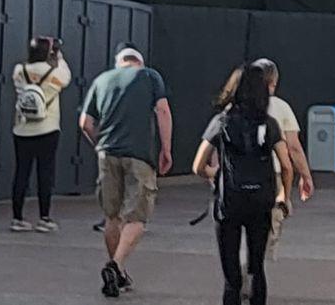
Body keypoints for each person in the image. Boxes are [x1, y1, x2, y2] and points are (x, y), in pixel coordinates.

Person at [193, 65, 293, 305]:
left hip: (230, 202)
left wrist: (214, 172)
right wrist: (284, 195)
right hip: (261, 199)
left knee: (232, 276)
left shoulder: (222, 121)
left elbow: (197, 165)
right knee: (256, 268)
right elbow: (287, 166)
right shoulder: (269, 124)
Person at [80, 45, 173, 299]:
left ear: (118, 63)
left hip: (107, 154)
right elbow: (162, 111)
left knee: (112, 216)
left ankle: (117, 272)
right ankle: (115, 266)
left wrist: (100, 144)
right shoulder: (150, 76)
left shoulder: (102, 80)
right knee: (136, 217)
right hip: (139, 156)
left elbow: (85, 123)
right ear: (139, 62)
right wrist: (166, 149)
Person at [253, 59, 313, 269]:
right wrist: (305, 176)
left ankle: (241, 275)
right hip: (272, 176)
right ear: (274, 82)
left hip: (239, 175)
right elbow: (294, 148)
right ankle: (256, 275)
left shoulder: (234, 106)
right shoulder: (280, 107)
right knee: (271, 226)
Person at [9, 35, 72, 233]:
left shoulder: (20, 71)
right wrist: (58, 56)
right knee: (45, 173)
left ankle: (17, 218)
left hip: (21, 129)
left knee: (21, 173)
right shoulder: (55, 73)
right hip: (48, 129)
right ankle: (44, 218)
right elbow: (66, 77)